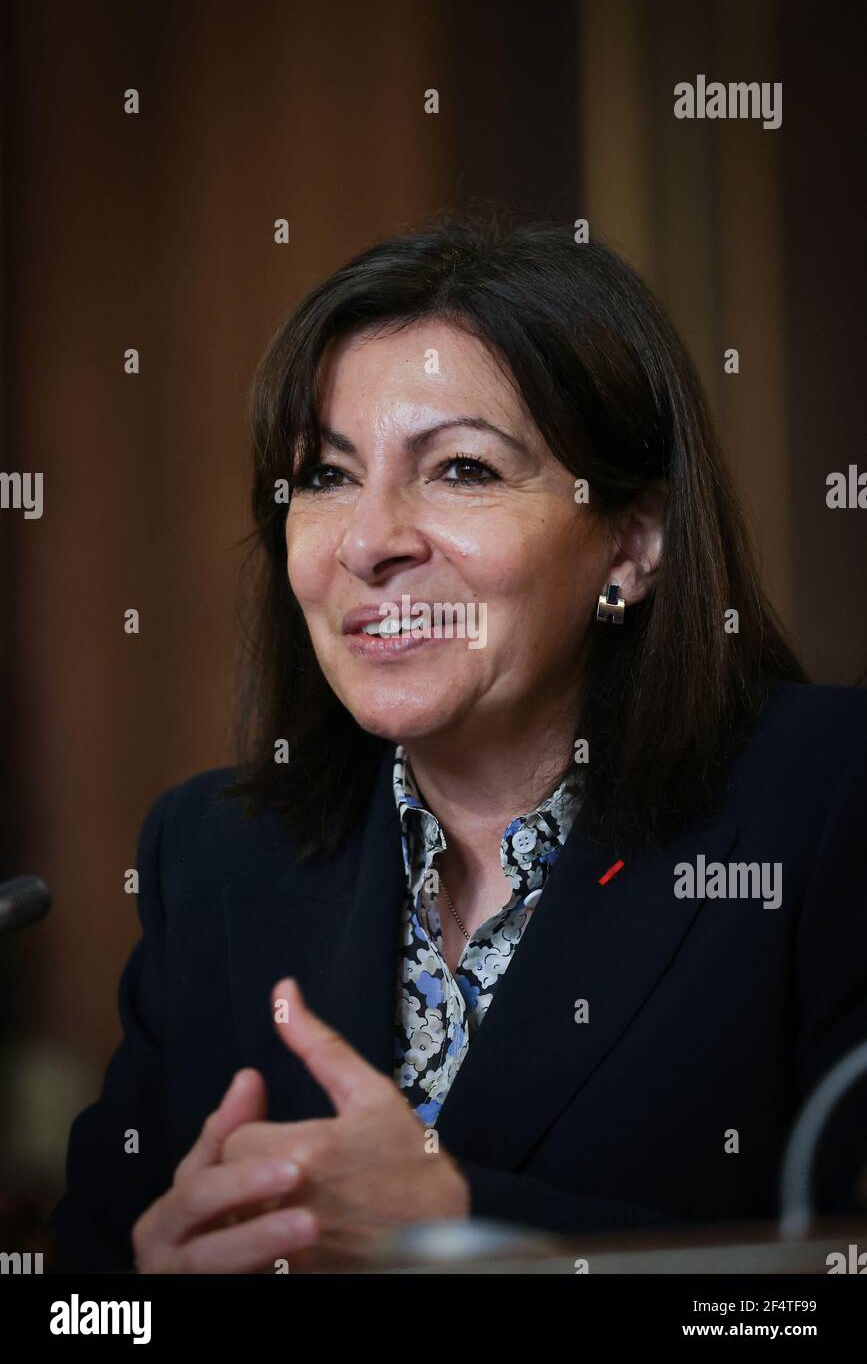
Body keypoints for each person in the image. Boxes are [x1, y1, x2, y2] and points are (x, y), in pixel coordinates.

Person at [49, 212, 867, 1272]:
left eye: (464, 470)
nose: (371, 540)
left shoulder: (830, 800)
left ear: (634, 540)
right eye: (327, 476)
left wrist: (457, 1224)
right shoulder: (213, 856)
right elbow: (83, 1290)